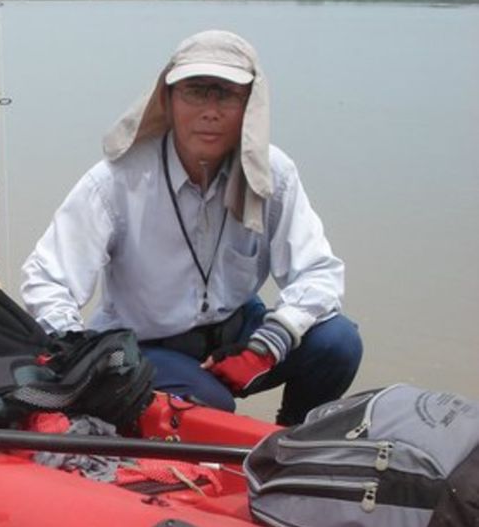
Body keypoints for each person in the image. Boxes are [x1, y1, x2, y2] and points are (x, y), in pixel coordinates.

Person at [20, 29, 362, 425]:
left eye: (227, 94)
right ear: (167, 98)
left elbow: (319, 272)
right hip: (145, 347)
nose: (211, 111)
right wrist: (78, 353)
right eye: (196, 92)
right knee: (210, 404)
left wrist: (266, 346)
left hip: (237, 337)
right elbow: (47, 278)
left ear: (250, 104)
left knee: (338, 343)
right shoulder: (117, 180)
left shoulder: (272, 175)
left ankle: (290, 439)